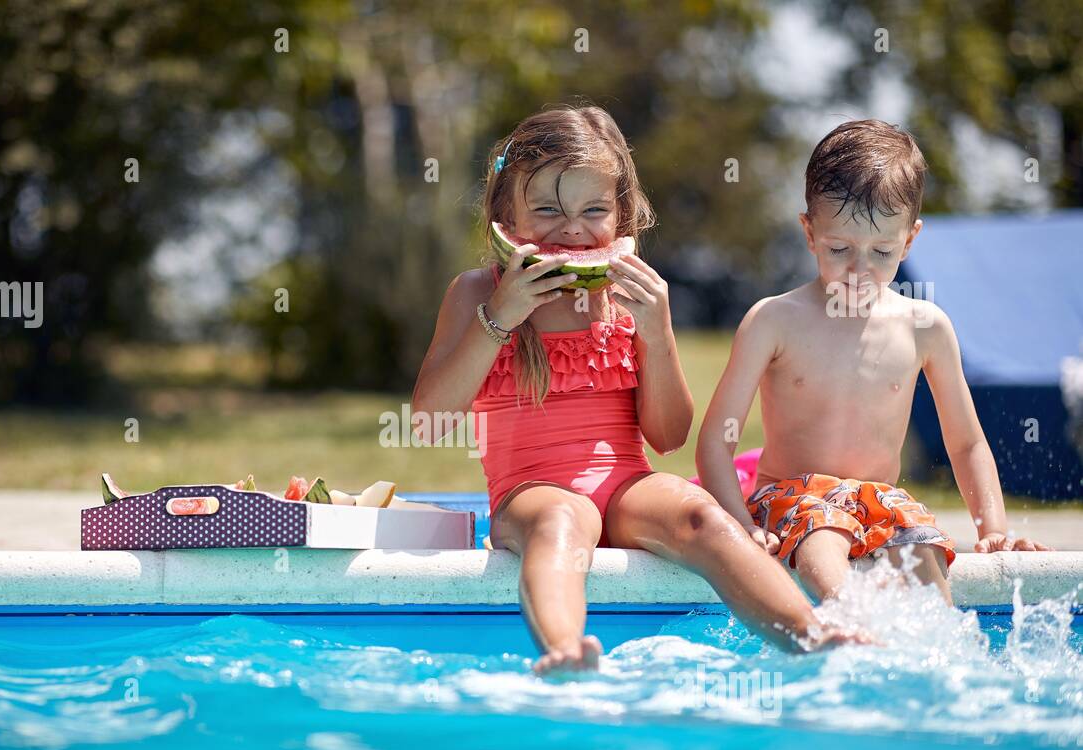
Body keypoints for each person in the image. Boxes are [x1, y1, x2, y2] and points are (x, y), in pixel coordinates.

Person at [412, 105, 863, 674]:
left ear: (623, 215)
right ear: (507, 214)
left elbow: (668, 436)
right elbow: (430, 419)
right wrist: (498, 318)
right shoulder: (477, 292)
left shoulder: (628, 298)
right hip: (531, 491)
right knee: (560, 522)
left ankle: (811, 633)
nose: (573, 231)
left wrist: (656, 334)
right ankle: (563, 649)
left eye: (594, 210)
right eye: (547, 211)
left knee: (701, 514)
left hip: (627, 486)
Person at [697, 119, 1049, 605]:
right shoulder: (774, 321)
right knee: (823, 535)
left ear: (909, 241)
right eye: (839, 248)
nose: (860, 270)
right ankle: (846, 630)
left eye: (882, 252)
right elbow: (717, 440)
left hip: (881, 502)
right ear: (809, 232)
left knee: (922, 551)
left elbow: (966, 444)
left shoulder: (925, 327)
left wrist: (993, 530)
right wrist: (739, 526)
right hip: (793, 497)